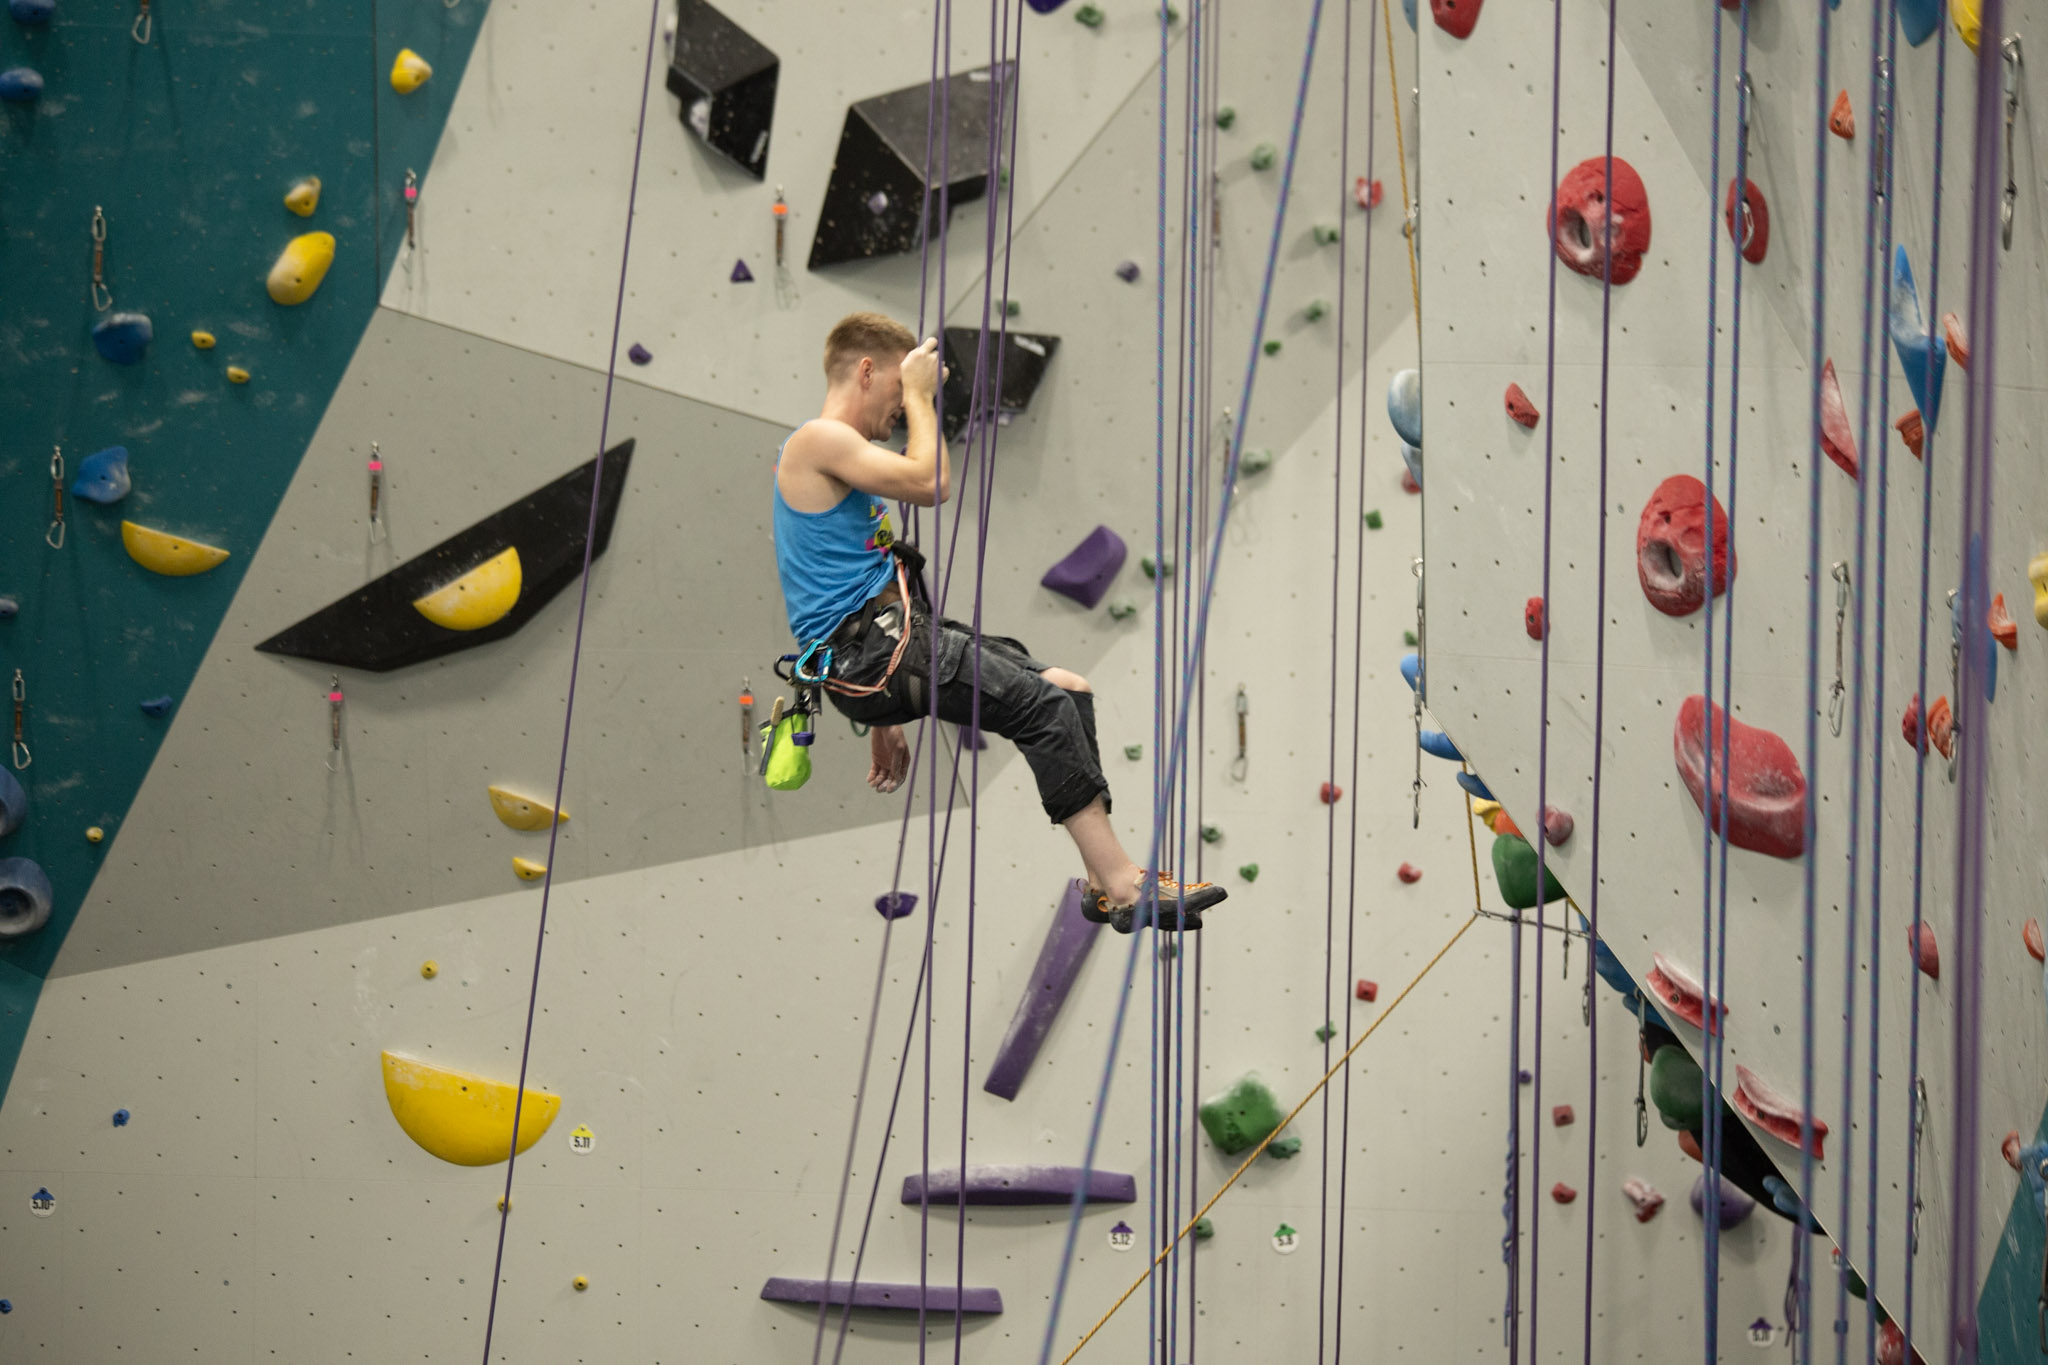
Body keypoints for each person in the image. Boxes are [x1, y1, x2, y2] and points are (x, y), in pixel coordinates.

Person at [770, 312, 1227, 933]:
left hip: (886, 650)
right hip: (874, 654)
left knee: (1068, 690)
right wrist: (925, 395)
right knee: (1041, 708)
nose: (903, 413)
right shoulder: (817, 440)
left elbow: (869, 585)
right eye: (897, 394)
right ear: (867, 370)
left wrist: (888, 715)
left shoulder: (847, 461)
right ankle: (1123, 883)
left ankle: (1102, 880)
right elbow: (931, 481)